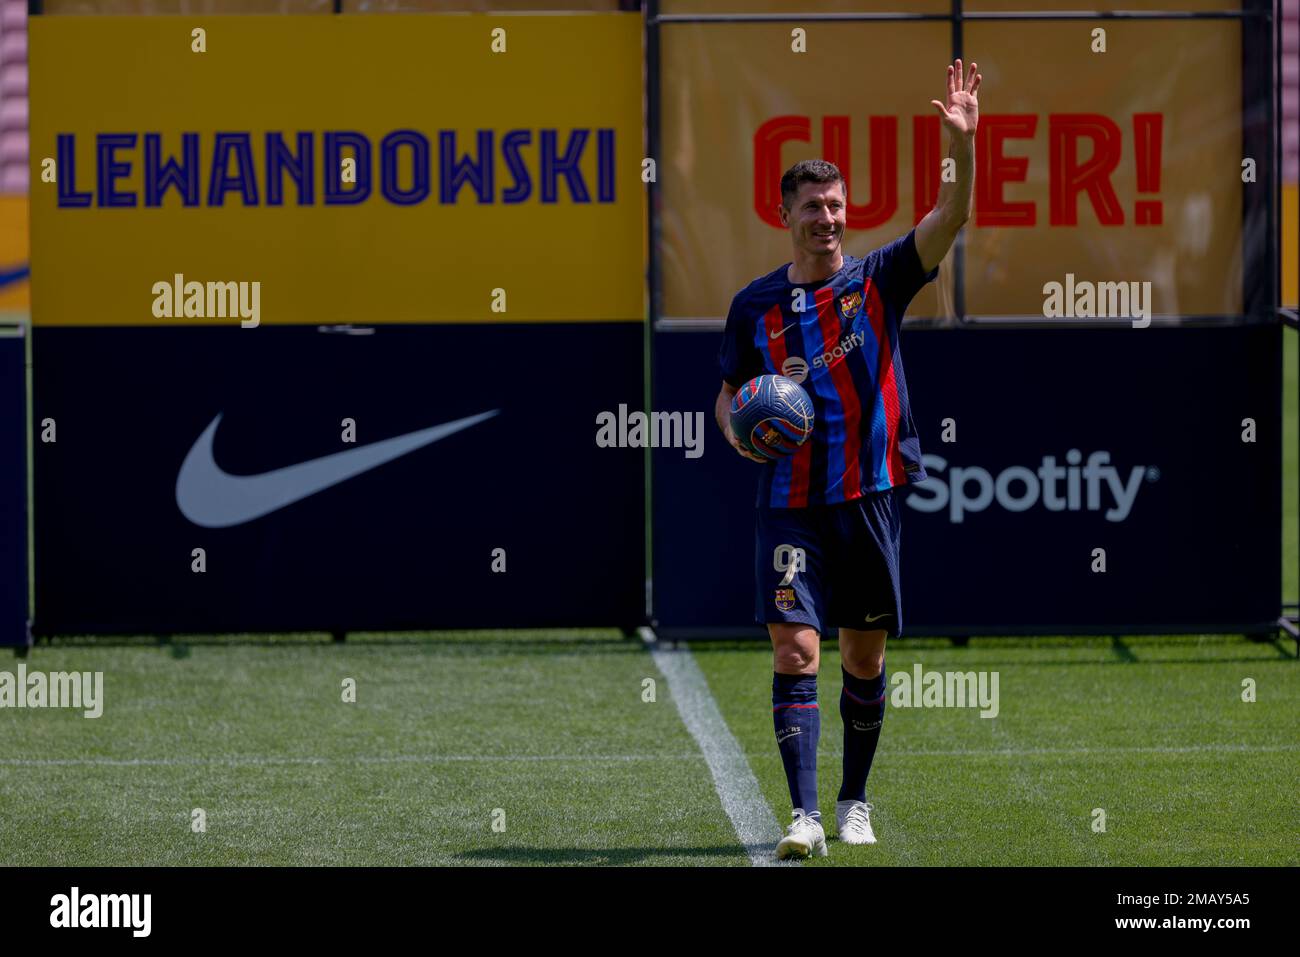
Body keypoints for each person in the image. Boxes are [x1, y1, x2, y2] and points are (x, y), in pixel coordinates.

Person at [714, 59, 980, 860]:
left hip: (869, 494)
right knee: (796, 648)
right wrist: (736, 431)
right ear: (784, 213)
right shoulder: (754, 307)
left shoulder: (879, 280)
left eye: (835, 206)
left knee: (863, 656)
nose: (827, 218)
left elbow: (950, 215)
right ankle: (802, 815)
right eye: (813, 207)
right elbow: (727, 396)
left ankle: (853, 800)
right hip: (789, 501)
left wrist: (961, 150)